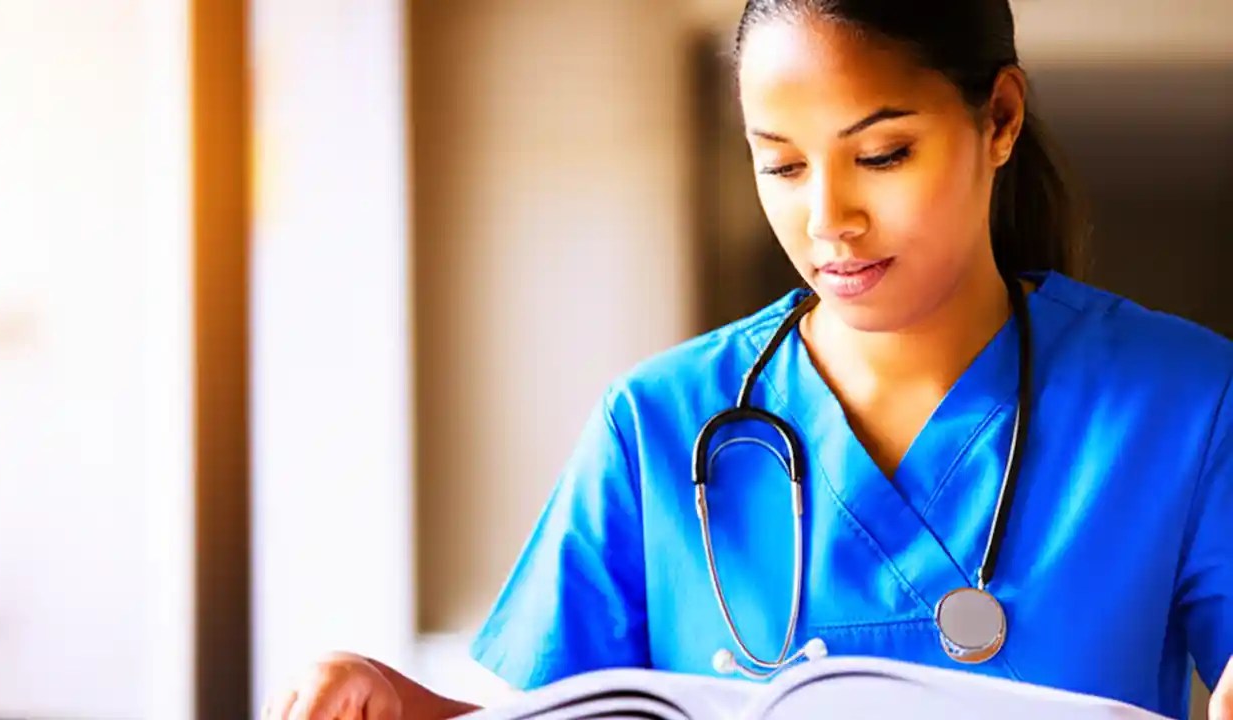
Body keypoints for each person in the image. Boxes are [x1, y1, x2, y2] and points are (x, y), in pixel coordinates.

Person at [263, 1, 1233, 718]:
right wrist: (397, 703)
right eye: (780, 163)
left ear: (999, 120)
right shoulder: (658, 423)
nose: (828, 221)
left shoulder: (1181, 405)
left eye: (881, 154)